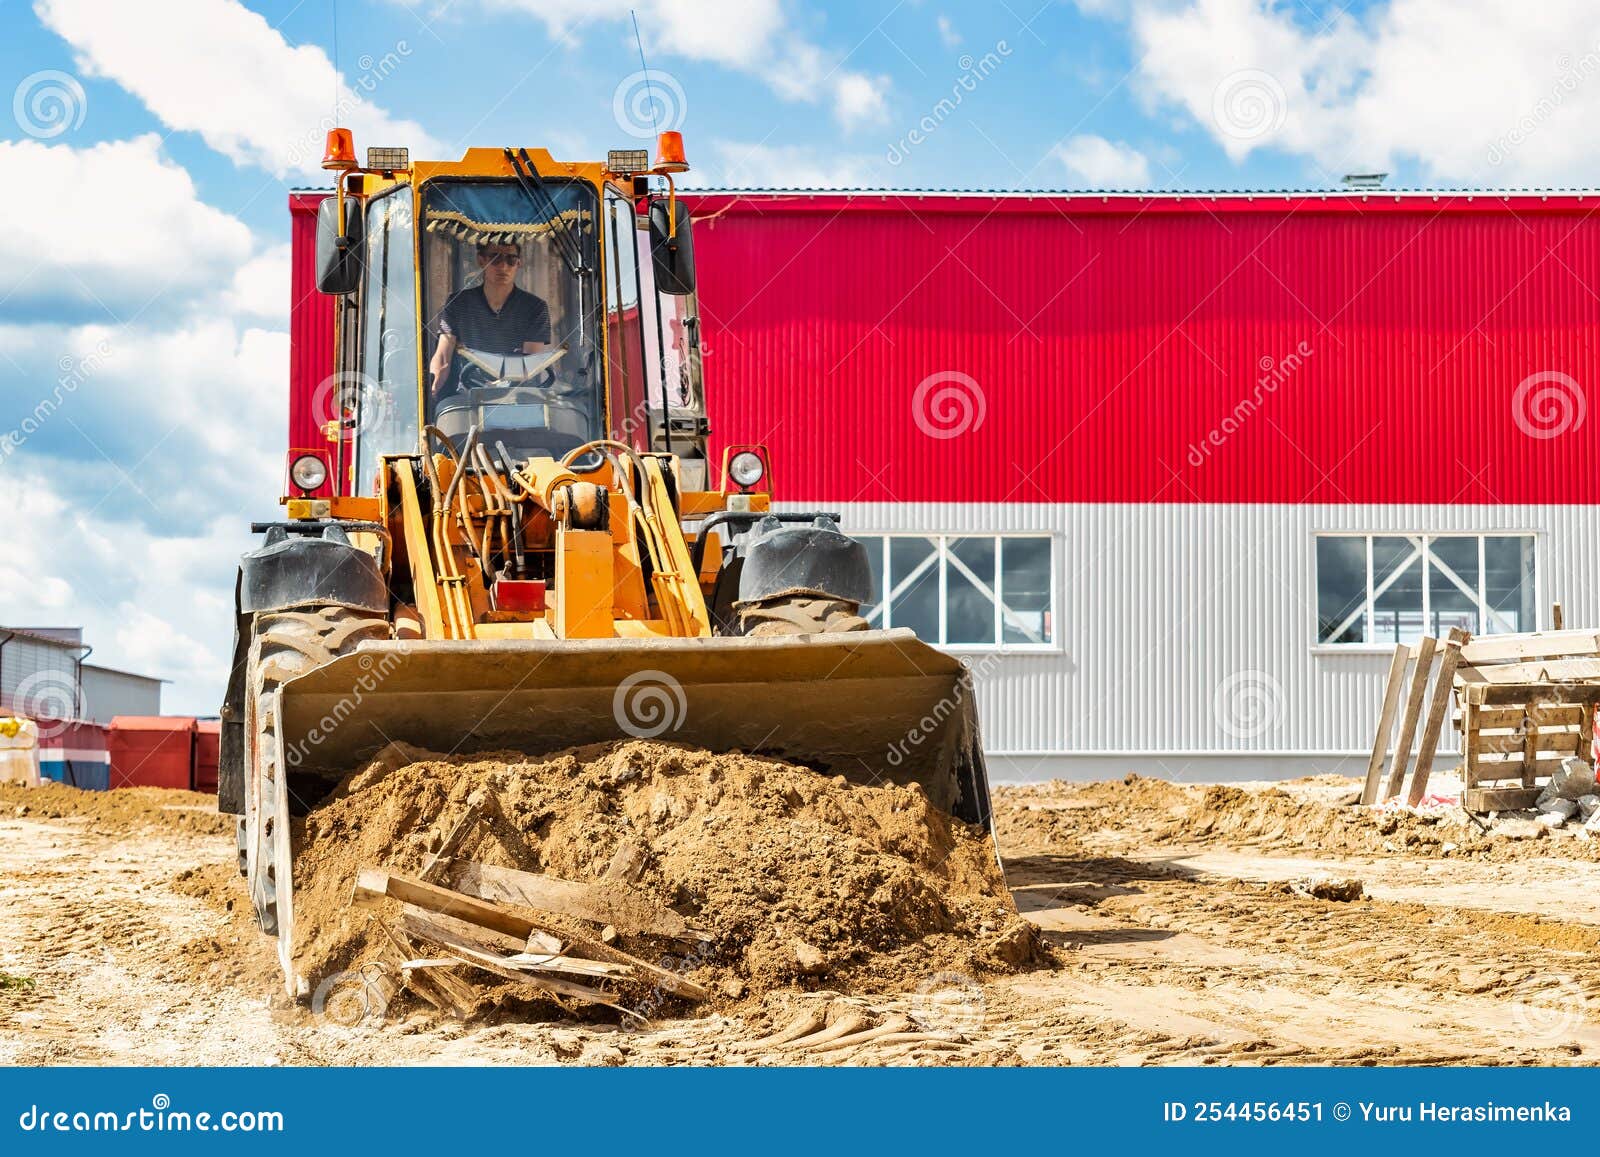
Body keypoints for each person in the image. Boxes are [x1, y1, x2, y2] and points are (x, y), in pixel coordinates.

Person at [429, 242, 551, 395]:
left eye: (511, 259)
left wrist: (501, 387)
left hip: (519, 398)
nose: (503, 266)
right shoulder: (459, 302)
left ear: (519, 263)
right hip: (468, 397)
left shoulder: (535, 307)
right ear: (481, 261)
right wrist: (432, 390)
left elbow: (529, 364)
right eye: (495, 258)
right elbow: (443, 357)